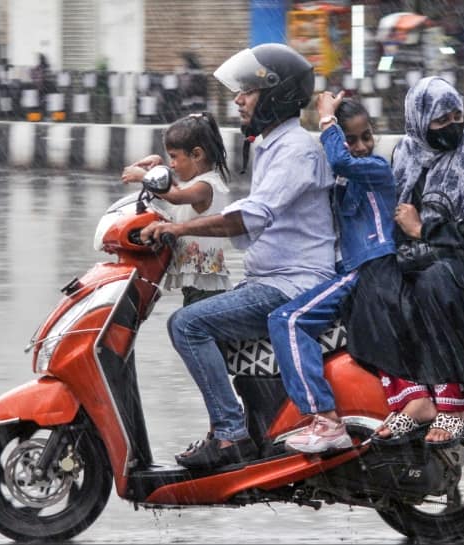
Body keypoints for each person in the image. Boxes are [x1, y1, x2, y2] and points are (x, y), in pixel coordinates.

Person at [140, 43, 336, 470]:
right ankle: (254, 425)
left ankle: (231, 435)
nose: (238, 99)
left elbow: (247, 218)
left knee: (188, 325)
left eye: (247, 91)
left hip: (292, 284)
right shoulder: (271, 146)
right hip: (270, 279)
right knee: (203, 319)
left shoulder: (296, 150)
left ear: (277, 95)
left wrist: (178, 228)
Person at [345, 76, 464, 445]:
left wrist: (424, 229)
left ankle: (454, 402)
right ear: (419, 122)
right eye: (440, 121)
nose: (451, 127)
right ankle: (413, 398)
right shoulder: (406, 154)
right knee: (369, 281)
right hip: (423, 259)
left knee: (434, 279)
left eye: (457, 116)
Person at [268, 91, 397, 453]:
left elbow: (341, 160)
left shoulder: (377, 170)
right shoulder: (342, 181)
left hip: (370, 269)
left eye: (365, 137)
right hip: (349, 271)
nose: (360, 146)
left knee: (288, 321)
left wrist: (327, 119)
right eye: (352, 138)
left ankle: (325, 420)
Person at [121, 112, 233, 306]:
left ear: (197, 154)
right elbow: (176, 191)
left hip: (205, 286)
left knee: (190, 326)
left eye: (174, 157)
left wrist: (143, 177)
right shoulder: (199, 184)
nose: (172, 164)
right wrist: (157, 171)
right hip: (197, 283)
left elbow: (177, 197)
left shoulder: (206, 185)